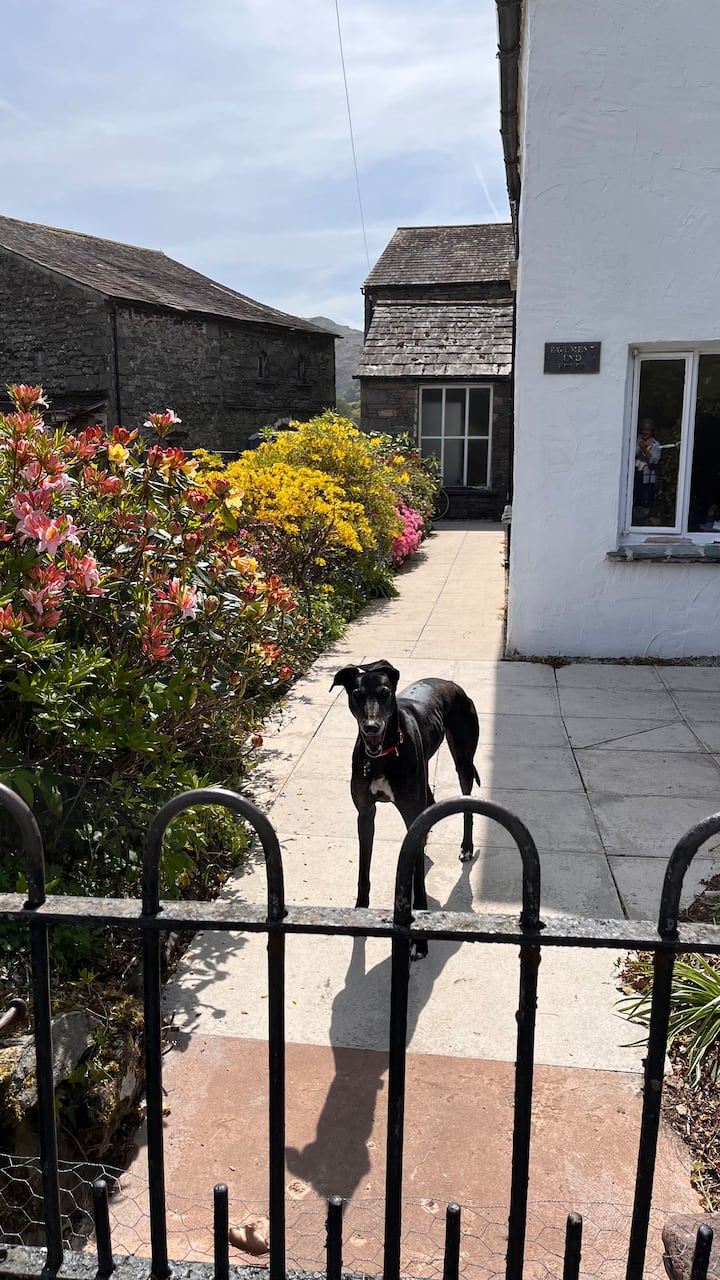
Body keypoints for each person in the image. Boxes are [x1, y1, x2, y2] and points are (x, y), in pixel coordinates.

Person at [634, 417, 662, 519]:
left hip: (647, 476)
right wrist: (640, 446)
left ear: (652, 431)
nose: (645, 432)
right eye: (644, 429)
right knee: (635, 497)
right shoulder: (636, 440)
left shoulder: (656, 444)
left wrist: (645, 449)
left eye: (648, 430)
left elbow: (654, 460)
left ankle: (644, 518)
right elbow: (633, 454)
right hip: (636, 472)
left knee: (646, 499)